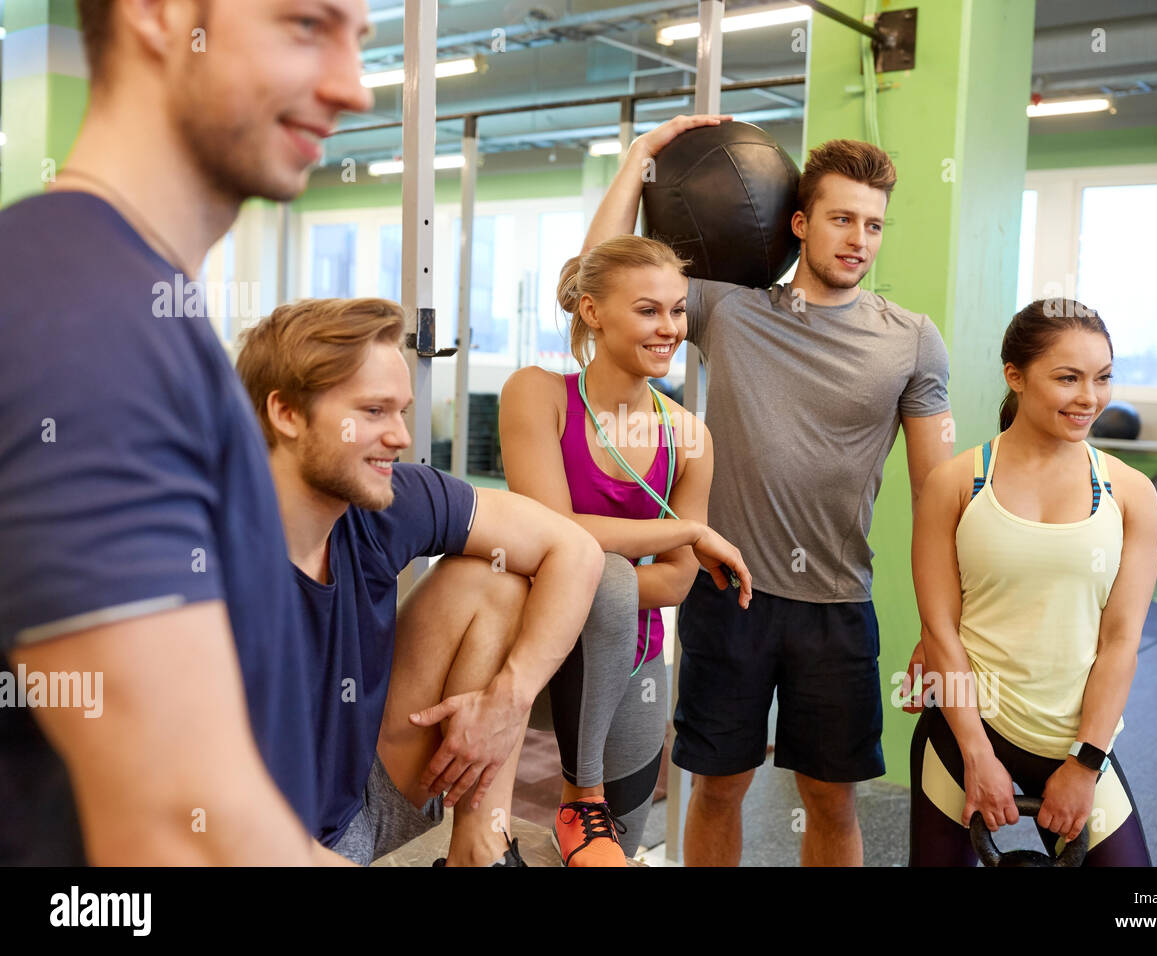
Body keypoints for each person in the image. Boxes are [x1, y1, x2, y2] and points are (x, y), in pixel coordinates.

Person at [0, 0, 376, 864]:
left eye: (363, 39)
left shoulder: (136, 306)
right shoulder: (85, 319)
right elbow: (179, 829)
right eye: (307, 25)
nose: (353, 86)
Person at [582, 116, 953, 866]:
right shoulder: (731, 310)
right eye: (841, 218)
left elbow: (938, 494)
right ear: (799, 224)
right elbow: (603, 273)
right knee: (718, 788)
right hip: (729, 594)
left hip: (840, 604)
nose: (858, 238)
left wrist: (946, 632)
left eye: (873, 224)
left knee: (830, 798)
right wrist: (639, 161)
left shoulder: (912, 339)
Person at [235, 297, 607, 866]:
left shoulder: (388, 500)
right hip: (255, 844)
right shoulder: (206, 567)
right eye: (375, 411)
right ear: (286, 413)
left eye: (402, 411)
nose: (401, 436)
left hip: (363, 798)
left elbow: (573, 549)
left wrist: (512, 697)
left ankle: (479, 850)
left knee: (496, 577)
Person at [499, 235, 753, 866]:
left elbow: (672, 585)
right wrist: (686, 533)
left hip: (631, 662)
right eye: (647, 311)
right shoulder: (538, 394)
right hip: (534, 651)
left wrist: (596, 575)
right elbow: (551, 527)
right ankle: (579, 793)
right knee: (607, 575)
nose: (669, 328)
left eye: (676, 311)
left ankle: (588, 806)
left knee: (616, 853)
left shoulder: (690, 435)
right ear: (592, 312)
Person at [908, 299, 1157, 866]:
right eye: (1067, 378)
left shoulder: (1130, 493)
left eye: (1102, 377)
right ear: (1014, 376)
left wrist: (1086, 763)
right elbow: (940, 629)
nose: (1089, 397)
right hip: (965, 733)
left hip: (1076, 741)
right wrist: (976, 754)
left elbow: (1121, 641)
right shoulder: (956, 484)